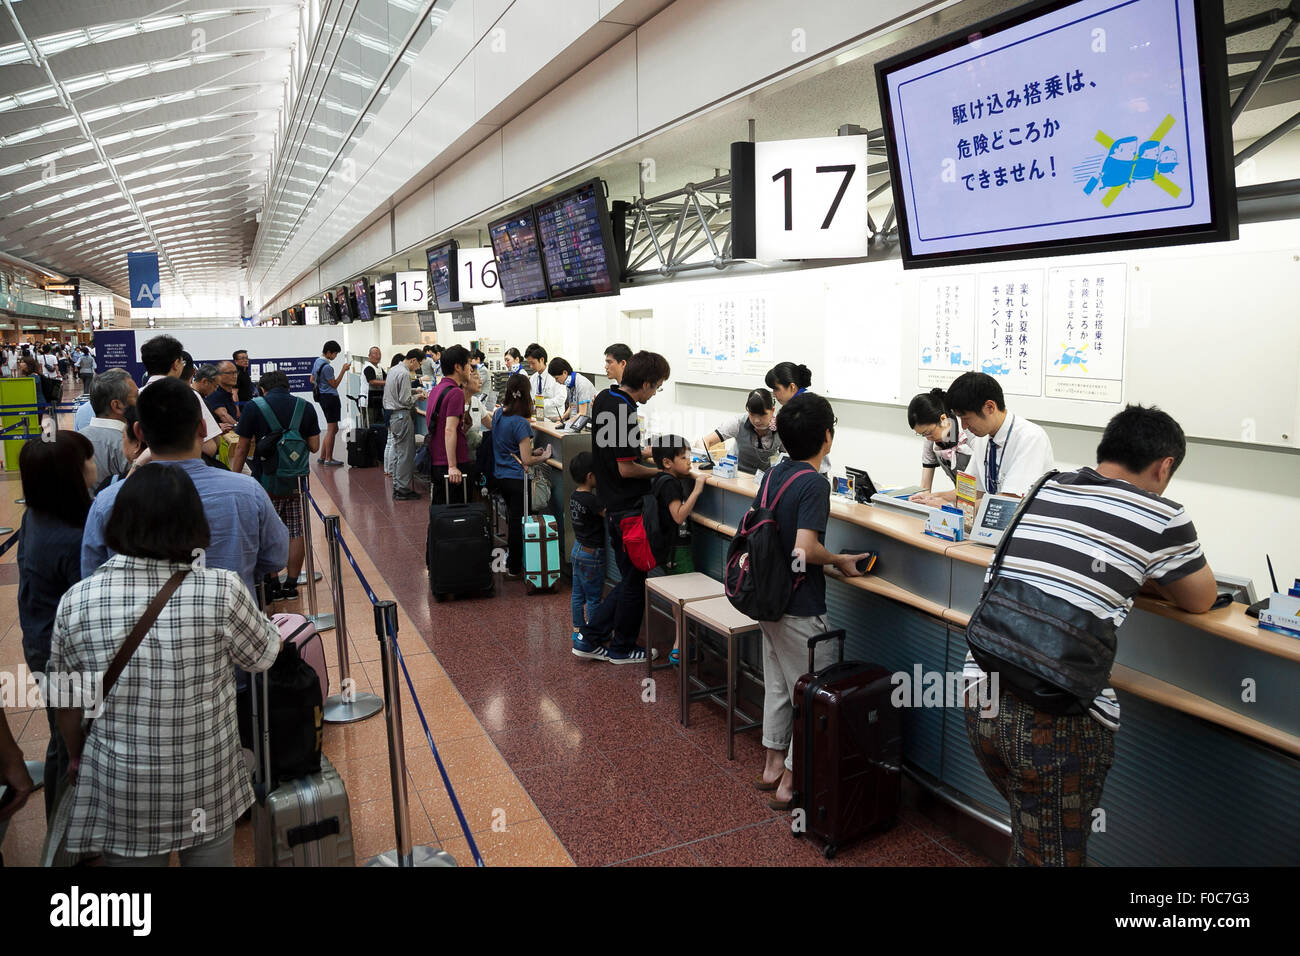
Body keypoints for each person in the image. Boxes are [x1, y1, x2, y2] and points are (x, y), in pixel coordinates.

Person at [963, 405, 1217, 867]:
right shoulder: (1162, 515)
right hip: (1053, 720)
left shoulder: (1047, 485)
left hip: (980, 694)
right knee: (1054, 855)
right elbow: (1201, 598)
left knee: (1032, 833)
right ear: (1165, 466)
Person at [51, 464, 281, 867]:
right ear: (193, 523)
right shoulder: (221, 589)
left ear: (119, 520)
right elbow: (262, 656)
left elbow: (66, 701)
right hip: (206, 777)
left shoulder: (77, 600)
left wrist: (74, 754)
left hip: (122, 785)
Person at [751, 392, 868, 810]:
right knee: (809, 693)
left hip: (766, 599)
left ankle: (771, 765)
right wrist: (839, 561)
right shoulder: (814, 483)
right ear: (827, 437)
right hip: (799, 603)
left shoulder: (773, 473)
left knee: (780, 686)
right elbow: (805, 549)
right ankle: (790, 783)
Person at [82, 376, 289, 596]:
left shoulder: (107, 501)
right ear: (202, 428)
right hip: (230, 618)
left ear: (139, 432)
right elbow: (275, 558)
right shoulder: (248, 491)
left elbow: (91, 574)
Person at [16, 432, 96, 818]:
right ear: (72, 475)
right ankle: (67, 840)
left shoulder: (35, 516)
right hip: (63, 653)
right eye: (88, 460)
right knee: (71, 744)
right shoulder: (73, 540)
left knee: (59, 736)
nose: (94, 466)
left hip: (38, 641)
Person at [574, 350, 671, 664]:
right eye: (655, 387)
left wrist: (644, 452)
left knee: (631, 578)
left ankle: (591, 639)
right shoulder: (623, 411)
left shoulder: (606, 398)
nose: (654, 393)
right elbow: (626, 469)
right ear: (644, 383)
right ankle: (621, 647)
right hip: (627, 510)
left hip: (612, 504)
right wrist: (662, 472)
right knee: (634, 581)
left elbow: (615, 452)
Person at [229, 370, 322, 601]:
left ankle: (271, 582)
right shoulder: (305, 407)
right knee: (296, 530)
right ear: (288, 386)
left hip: (265, 482)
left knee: (266, 532)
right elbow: (314, 446)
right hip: (295, 482)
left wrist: (234, 477)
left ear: (262, 389)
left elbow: (241, 448)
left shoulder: (253, 407)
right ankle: (291, 584)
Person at [912, 372, 1054, 506]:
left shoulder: (1030, 438)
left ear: (990, 407)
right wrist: (934, 497)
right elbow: (970, 491)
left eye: (966, 418)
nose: (964, 426)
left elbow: (1009, 502)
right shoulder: (983, 438)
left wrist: (948, 506)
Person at [646, 435, 707, 663]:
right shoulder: (670, 484)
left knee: (678, 599)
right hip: (677, 550)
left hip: (667, 549)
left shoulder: (659, 479)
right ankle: (679, 647)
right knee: (685, 599)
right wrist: (697, 490)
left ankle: (680, 645)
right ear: (667, 463)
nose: (689, 462)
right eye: (684, 457)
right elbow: (679, 515)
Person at [491, 374, 552, 576]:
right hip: (517, 478)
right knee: (518, 523)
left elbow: (509, 446)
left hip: (500, 474)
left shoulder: (498, 414)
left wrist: (526, 453)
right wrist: (544, 457)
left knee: (511, 519)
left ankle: (512, 562)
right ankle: (515, 567)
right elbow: (526, 460)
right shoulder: (521, 423)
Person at [138, 334, 220, 458]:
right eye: (182, 362)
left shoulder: (136, 395)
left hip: (146, 470)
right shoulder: (189, 396)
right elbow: (210, 447)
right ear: (176, 364)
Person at [426, 345, 475, 505]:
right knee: (457, 514)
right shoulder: (455, 393)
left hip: (437, 460)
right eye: (468, 364)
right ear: (458, 367)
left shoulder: (437, 389)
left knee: (441, 509)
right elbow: (449, 430)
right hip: (452, 464)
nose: (470, 368)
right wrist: (453, 466)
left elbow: (438, 426)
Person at [699, 388, 784, 474]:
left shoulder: (782, 426)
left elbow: (788, 456)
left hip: (762, 478)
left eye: (762, 415)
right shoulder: (738, 422)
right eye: (752, 414)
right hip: (734, 475)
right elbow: (705, 441)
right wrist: (705, 459)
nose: (756, 420)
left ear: (772, 410)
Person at [567, 451, 605, 646]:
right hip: (592, 554)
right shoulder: (592, 500)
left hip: (577, 550)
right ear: (590, 476)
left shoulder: (575, 495)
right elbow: (608, 514)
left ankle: (578, 630)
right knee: (593, 598)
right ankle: (592, 635)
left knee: (577, 594)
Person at [907, 387, 974, 493]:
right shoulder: (930, 439)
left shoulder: (969, 434)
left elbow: (974, 489)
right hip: (961, 497)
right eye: (922, 434)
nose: (928, 438)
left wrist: (938, 497)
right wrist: (921, 499)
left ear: (943, 419)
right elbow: (925, 487)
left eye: (928, 432)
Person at [78, 367, 137, 486]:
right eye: (136, 397)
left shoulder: (76, 439)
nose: (140, 402)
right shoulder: (128, 446)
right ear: (117, 405)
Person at [384, 348, 428, 500]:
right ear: (413, 360)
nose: (417, 368)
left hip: (394, 416)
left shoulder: (394, 369)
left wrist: (414, 390)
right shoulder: (404, 373)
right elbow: (404, 400)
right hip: (402, 415)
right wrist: (419, 397)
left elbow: (399, 392)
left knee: (398, 452)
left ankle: (398, 485)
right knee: (406, 454)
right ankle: (402, 489)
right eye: (418, 365)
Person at [310, 340, 349, 466]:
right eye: (335, 353)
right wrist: (343, 370)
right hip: (331, 398)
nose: (335, 356)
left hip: (322, 397)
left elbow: (312, 379)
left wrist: (321, 385)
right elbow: (335, 384)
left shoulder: (317, 362)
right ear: (328, 353)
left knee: (333, 428)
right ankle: (328, 458)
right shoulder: (327, 367)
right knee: (332, 429)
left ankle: (322, 457)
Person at [548, 357, 596, 423]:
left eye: (557, 378)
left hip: (588, 423)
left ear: (565, 372)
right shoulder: (569, 384)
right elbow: (572, 406)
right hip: (576, 421)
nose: (556, 381)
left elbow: (582, 414)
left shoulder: (582, 384)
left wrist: (565, 423)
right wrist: (561, 418)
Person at [524, 343, 564, 415]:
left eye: (533, 363)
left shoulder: (555, 376)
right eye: (529, 363)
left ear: (542, 360)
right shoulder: (533, 378)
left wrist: (541, 402)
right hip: (536, 417)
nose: (531, 367)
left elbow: (560, 399)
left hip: (553, 418)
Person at [207, 362, 242, 429]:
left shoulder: (228, 394)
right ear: (218, 375)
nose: (235, 376)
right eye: (230, 373)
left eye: (236, 372)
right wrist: (243, 430)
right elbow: (224, 416)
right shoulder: (215, 394)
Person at [362, 346, 387, 427]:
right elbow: (372, 381)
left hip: (378, 400)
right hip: (368, 401)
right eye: (375, 353)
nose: (378, 356)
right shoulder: (368, 367)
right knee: (370, 424)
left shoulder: (379, 368)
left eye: (379, 354)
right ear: (369, 355)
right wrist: (387, 382)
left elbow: (386, 378)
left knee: (378, 424)